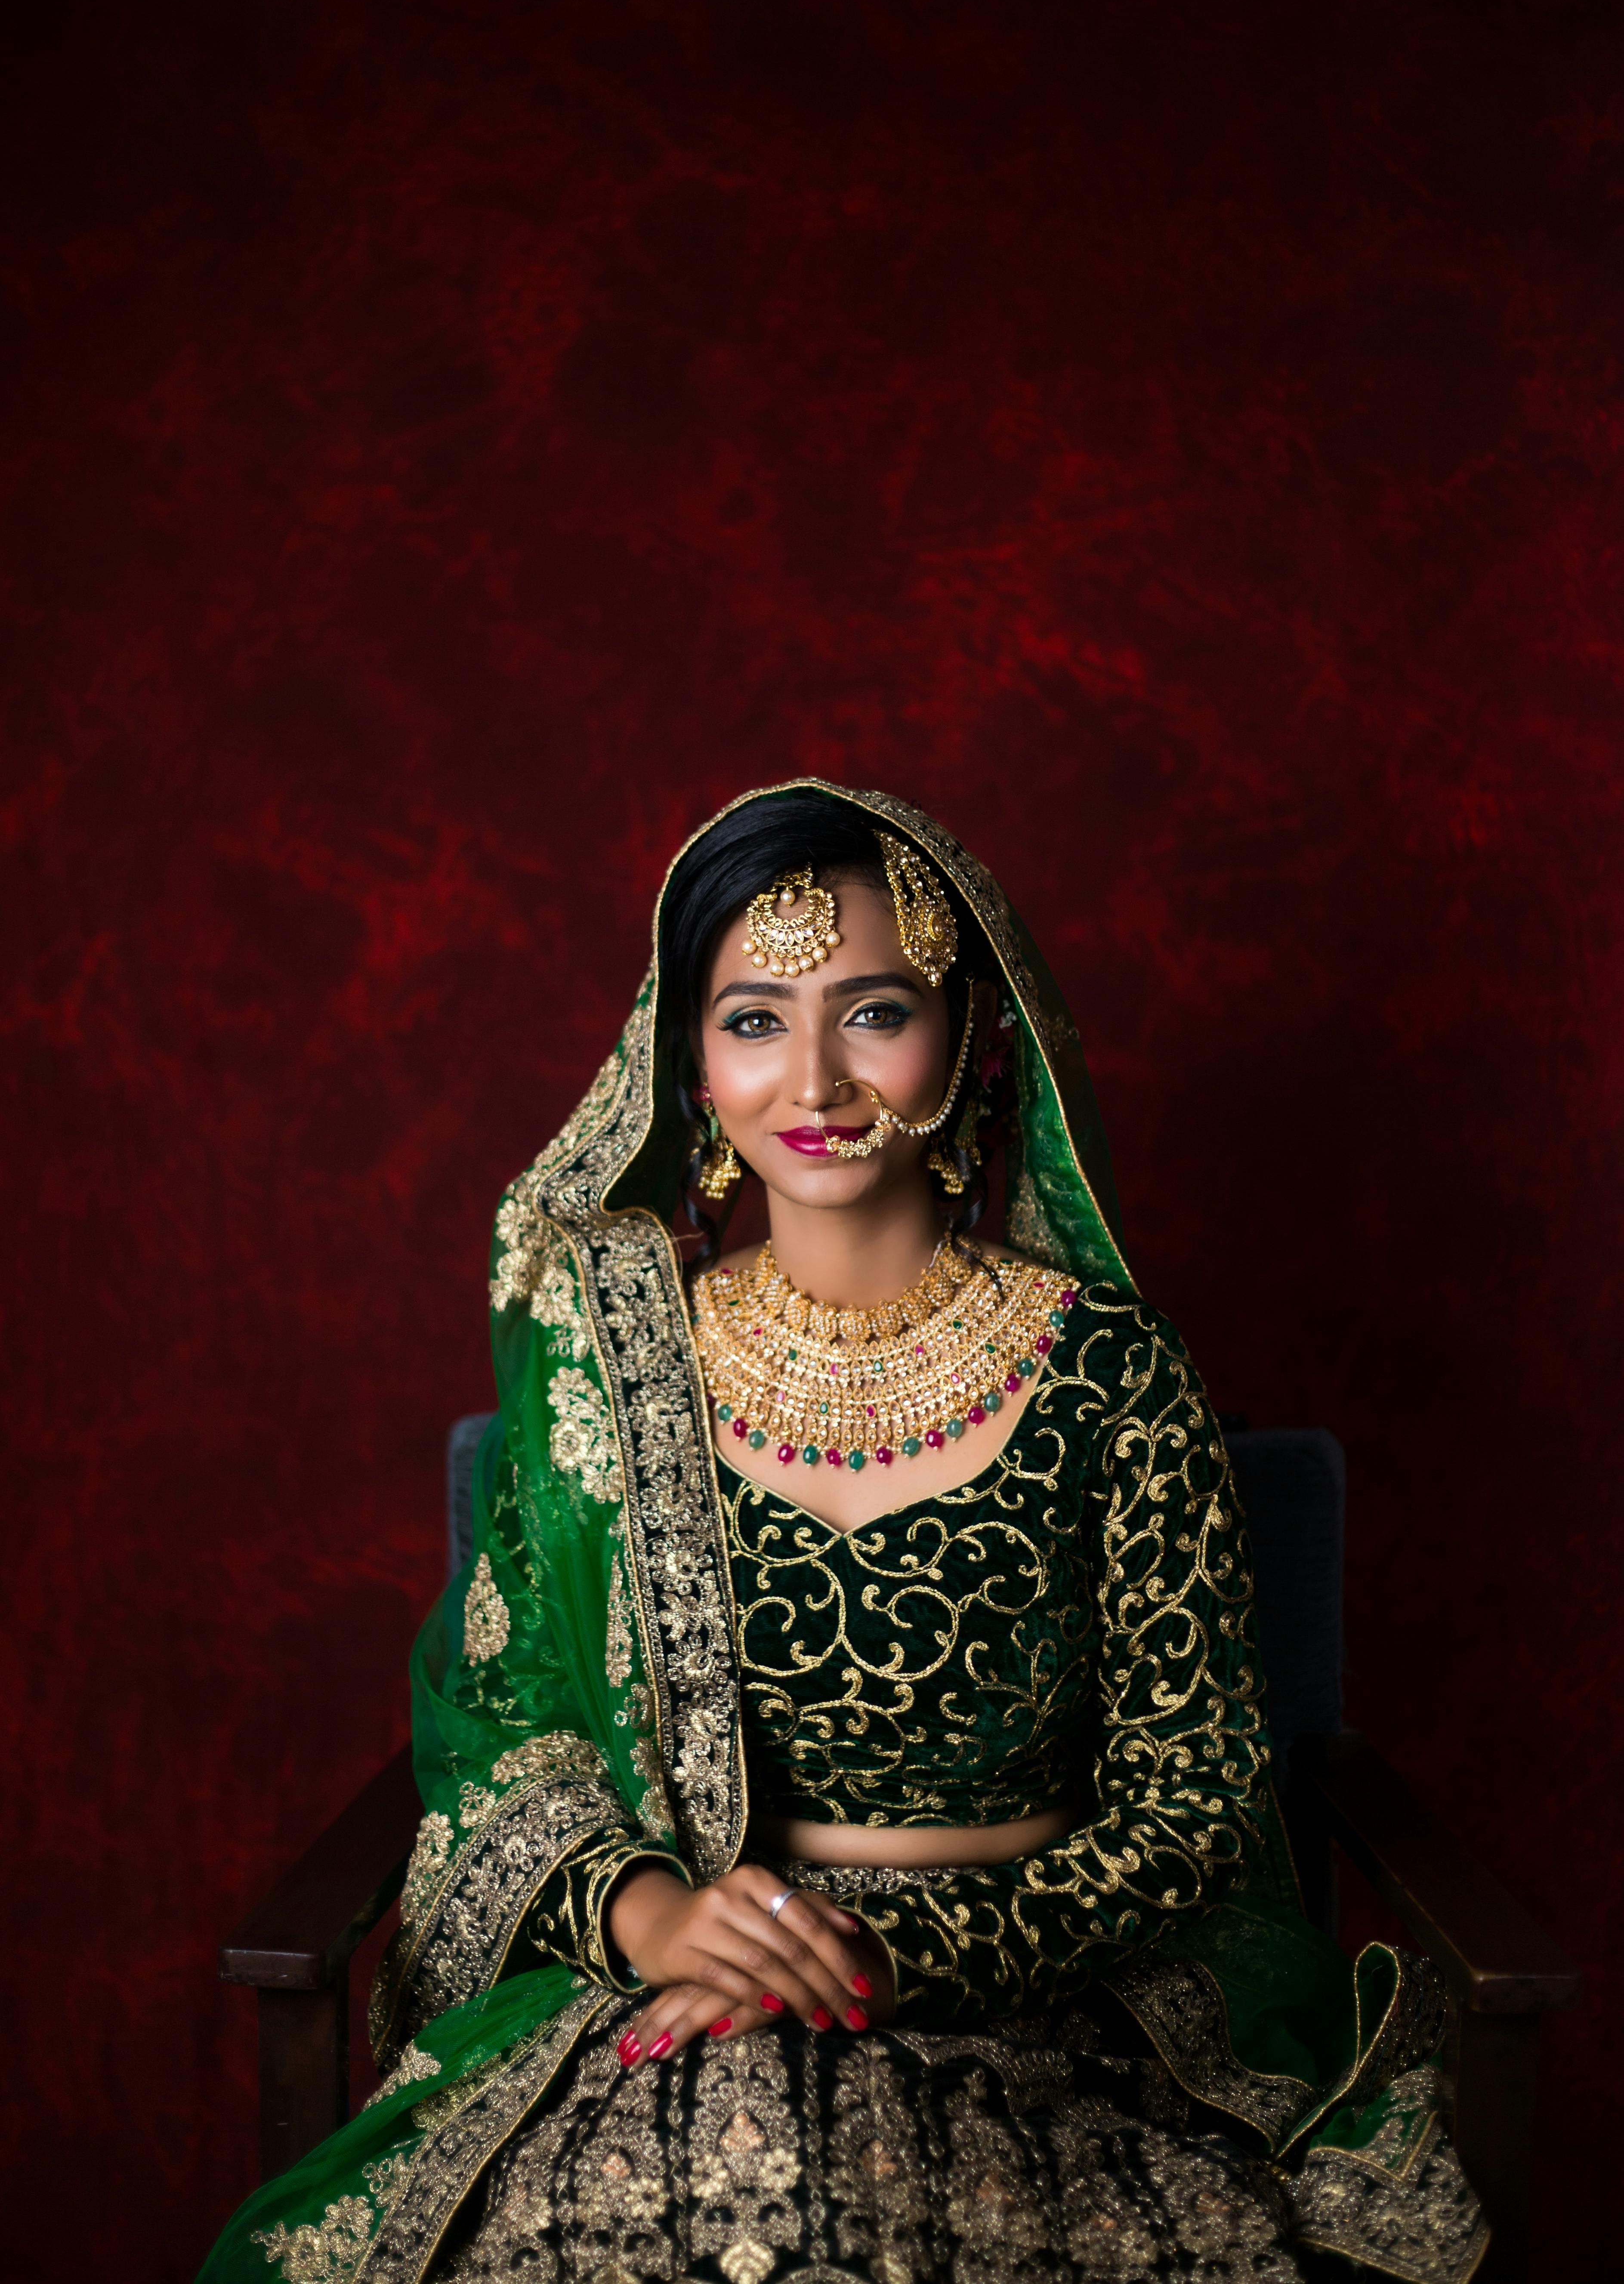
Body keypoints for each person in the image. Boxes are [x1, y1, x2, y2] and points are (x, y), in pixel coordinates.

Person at [201, 783, 1487, 2284]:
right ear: (687, 1058)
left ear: (967, 1035)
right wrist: (654, 1916)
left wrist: (893, 1952)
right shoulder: (618, 1374)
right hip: (680, 2002)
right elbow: (503, 1739)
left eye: (872, 1012)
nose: (812, 1078)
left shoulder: (1111, 1372)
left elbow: (1193, 1808)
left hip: (1041, 2010)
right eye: (752, 1020)